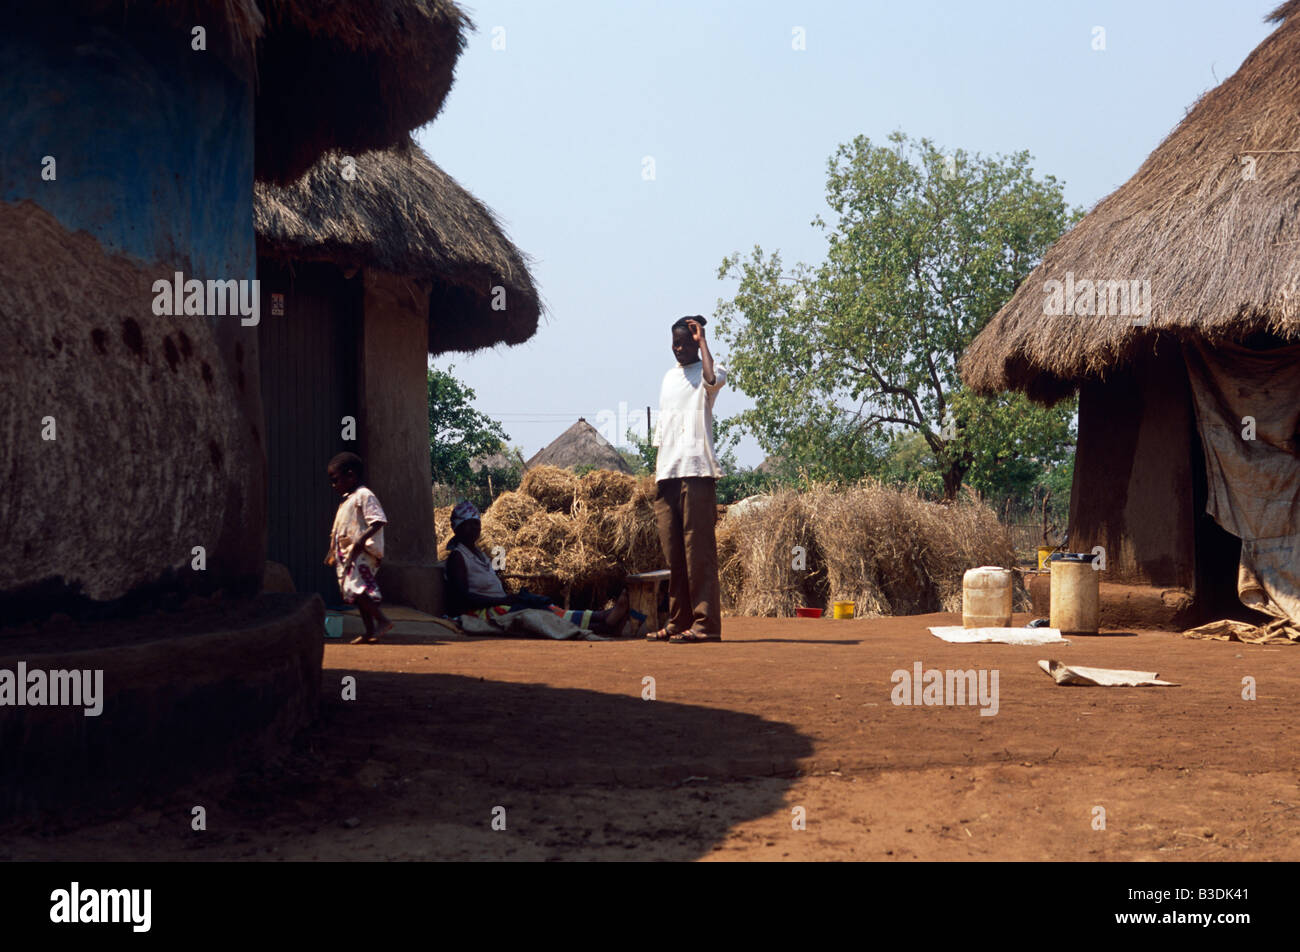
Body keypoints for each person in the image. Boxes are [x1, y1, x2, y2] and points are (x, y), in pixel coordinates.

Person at [648, 315, 726, 643]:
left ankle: (705, 625)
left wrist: (703, 340)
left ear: (694, 343)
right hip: (668, 473)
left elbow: (710, 379)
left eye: (683, 342)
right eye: (674, 343)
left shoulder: (711, 369)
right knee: (674, 555)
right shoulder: (668, 378)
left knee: (699, 553)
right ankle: (677, 621)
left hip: (697, 473)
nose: (677, 348)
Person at [443, 501, 631, 635]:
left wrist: (508, 598)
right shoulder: (457, 557)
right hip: (480, 612)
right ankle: (602, 623)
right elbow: (463, 599)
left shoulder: (479, 554)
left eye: (477, 524)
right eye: (468, 525)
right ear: (457, 528)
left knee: (545, 606)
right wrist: (503, 600)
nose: (475, 529)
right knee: (538, 615)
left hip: (497, 604)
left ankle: (601, 617)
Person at [324, 452, 393, 644]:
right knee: (354, 591)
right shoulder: (348, 499)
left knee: (357, 588)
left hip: (363, 554)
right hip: (349, 555)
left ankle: (382, 621)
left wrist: (360, 542)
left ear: (351, 475)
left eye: (335, 480)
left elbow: (378, 521)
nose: (333, 485)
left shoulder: (364, 495)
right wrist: (333, 551)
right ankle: (370, 630)